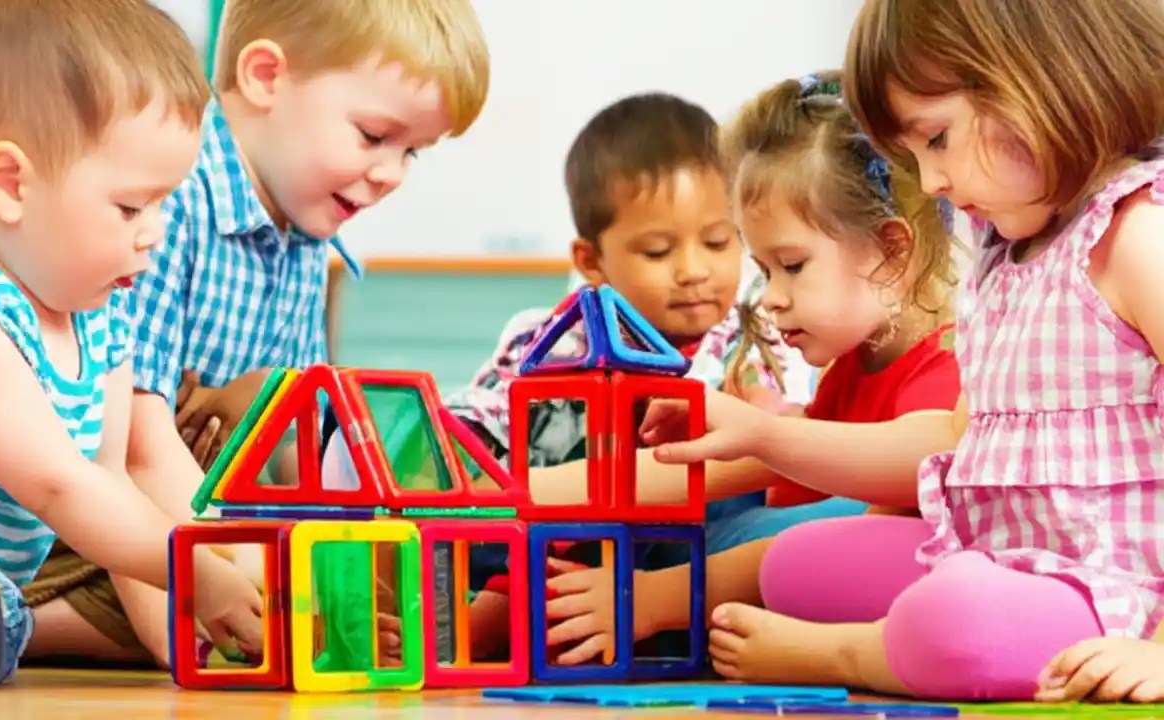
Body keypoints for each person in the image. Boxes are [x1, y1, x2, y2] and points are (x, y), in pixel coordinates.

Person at [644, 0, 1164, 702]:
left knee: (955, 619)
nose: (932, 183)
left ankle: (849, 656)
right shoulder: (1003, 262)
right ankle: (900, 636)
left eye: (936, 139)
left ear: (1042, 81)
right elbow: (951, 443)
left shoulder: (1137, 239)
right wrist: (765, 435)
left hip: (1124, 593)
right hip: (1006, 561)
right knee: (799, 562)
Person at [21, 0, 491, 667]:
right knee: (240, 600)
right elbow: (129, 447)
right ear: (268, 77)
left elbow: (298, 435)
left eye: (412, 152)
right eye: (372, 135)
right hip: (72, 505)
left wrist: (334, 575)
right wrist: (197, 616)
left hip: (176, 497)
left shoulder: (303, 227)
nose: (391, 173)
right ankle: (11, 617)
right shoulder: (168, 199)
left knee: (317, 582)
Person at [0, 0, 262, 688]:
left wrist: (210, 600)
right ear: (10, 183)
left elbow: (116, 480)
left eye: (164, 203)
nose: (154, 232)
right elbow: (61, 484)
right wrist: (196, 572)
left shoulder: (100, 318)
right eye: (130, 207)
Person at [544, 72, 962, 664]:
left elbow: (890, 497)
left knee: (830, 525)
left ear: (892, 253)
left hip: (889, 588)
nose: (769, 297)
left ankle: (646, 600)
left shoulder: (946, 367)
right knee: (693, 511)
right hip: (783, 558)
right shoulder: (853, 366)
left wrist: (653, 597)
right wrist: (511, 494)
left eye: (791, 265)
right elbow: (719, 469)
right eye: (764, 271)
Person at [441, 91, 858, 661]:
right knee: (473, 505)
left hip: (687, 548)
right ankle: (507, 603)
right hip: (549, 534)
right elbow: (479, 428)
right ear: (591, 261)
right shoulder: (553, 336)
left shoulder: (757, 336)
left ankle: (526, 609)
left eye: (718, 242)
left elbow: (776, 460)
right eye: (659, 251)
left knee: (805, 532)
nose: (693, 271)